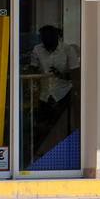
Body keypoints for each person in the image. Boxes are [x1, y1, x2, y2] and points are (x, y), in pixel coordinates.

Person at [28, 24, 79, 159]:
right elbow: (32, 71)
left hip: (63, 94)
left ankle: (64, 156)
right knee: (42, 128)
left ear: (57, 37)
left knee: (63, 128)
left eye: (49, 38)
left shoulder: (68, 50)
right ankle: (41, 156)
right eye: (43, 39)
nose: (46, 42)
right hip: (44, 95)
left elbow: (76, 76)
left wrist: (60, 74)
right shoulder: (37, 50)